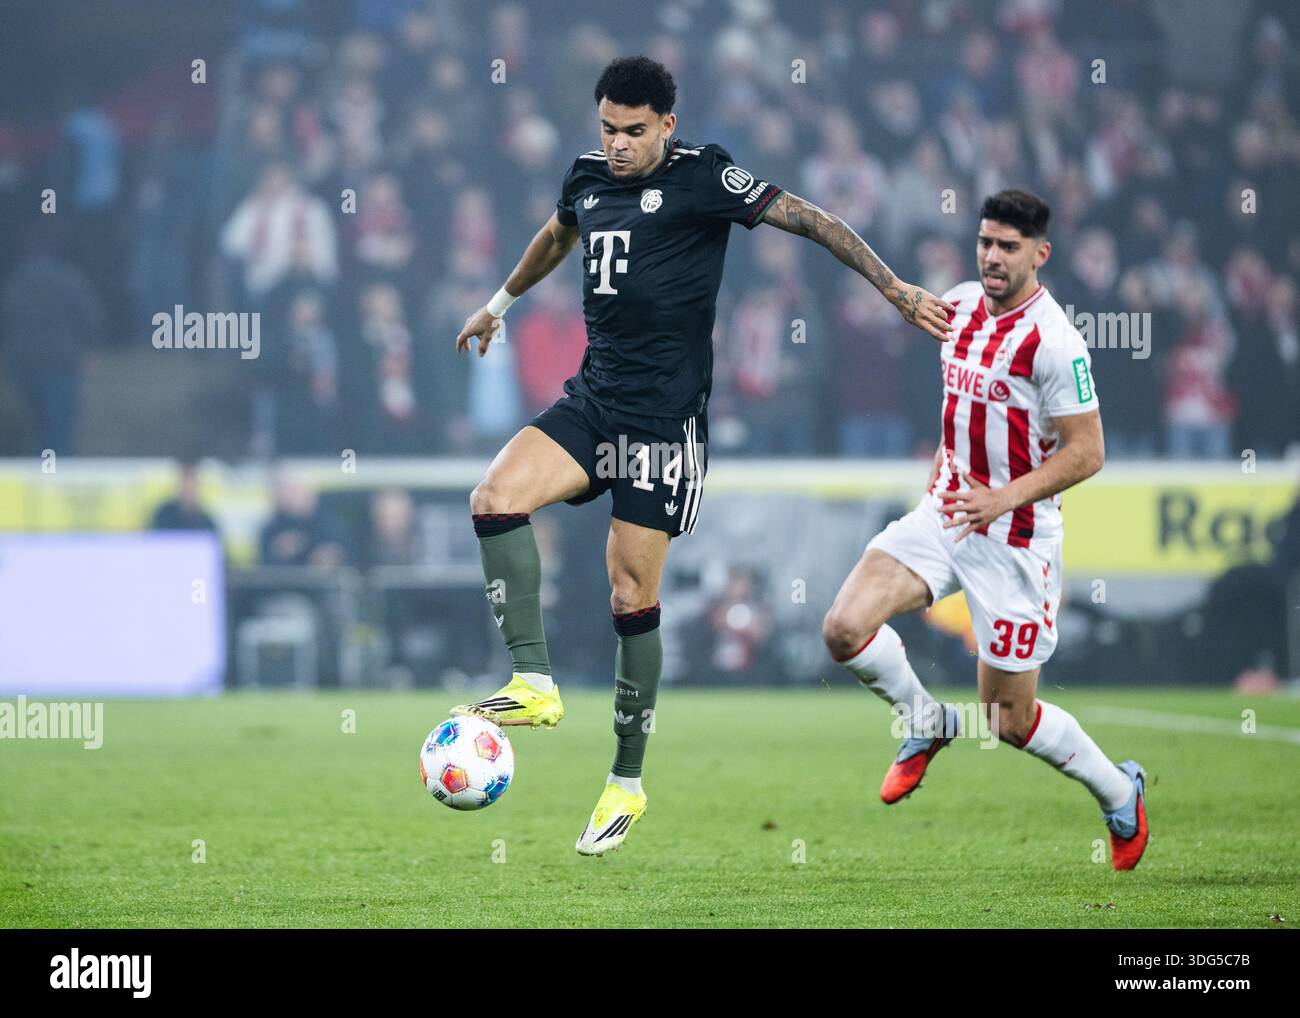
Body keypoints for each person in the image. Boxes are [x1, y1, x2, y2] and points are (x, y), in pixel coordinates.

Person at [452, 56, 953, 855]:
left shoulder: (705, 178)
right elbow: (556, 235)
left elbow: (814, 220)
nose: (617, 145)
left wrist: (894, 289)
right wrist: (498, 304)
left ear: (667, 127)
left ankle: (625, 783)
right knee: (493, 498)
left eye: (634, 132)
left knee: (628, 596)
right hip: (595, 401)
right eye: (608, 128)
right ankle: (535, 683)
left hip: (663, 426)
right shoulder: (585, 176)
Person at [821, 190, 1151, 871]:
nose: (992, 258)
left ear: (1040, 254)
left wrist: (1002, 498)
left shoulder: (1055, 341)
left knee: (1007, 719)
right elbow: (961, 411)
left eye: (1007, 247)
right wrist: (941, 483)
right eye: (985, 243)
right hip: (945, 513)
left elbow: (1087, 452)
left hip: (1016, 539)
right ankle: (924, 721)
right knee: (843, 628)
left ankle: (1120, 791)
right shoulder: (961, 305)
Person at [150, 460, 219, 533]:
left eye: (193, 484)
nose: (189, 488)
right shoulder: (163, 515)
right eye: (186, 483)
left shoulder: (206, 520)